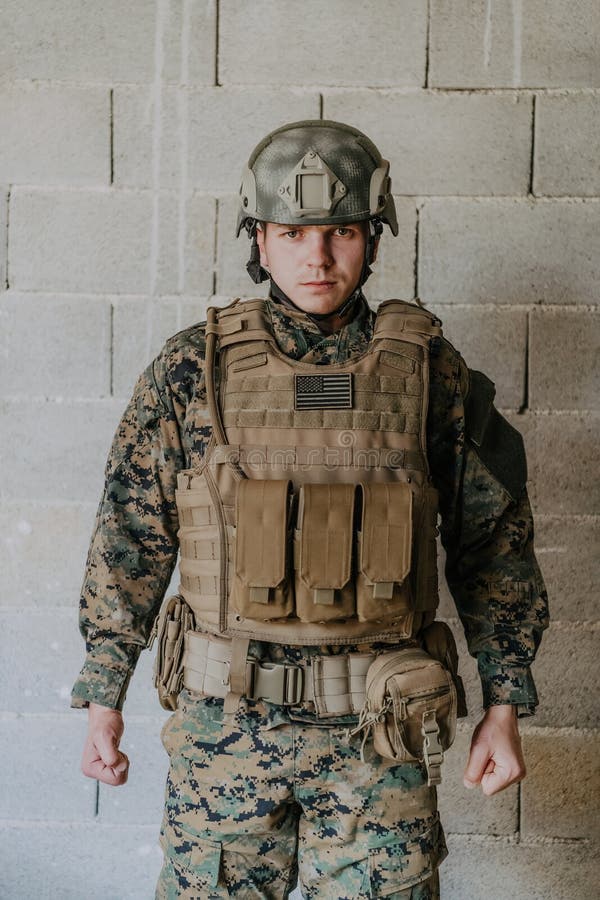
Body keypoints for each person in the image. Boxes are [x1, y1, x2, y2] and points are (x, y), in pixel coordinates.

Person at [73, 119, 548, 899]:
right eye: (292, 232)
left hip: (380, 734)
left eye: (341, 232)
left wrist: (505, 701)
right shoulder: (192, 369)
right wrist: (103, 694)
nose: (317, 257)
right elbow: (129, 536)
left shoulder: (430, 371)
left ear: (373, 237)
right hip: (225, 731)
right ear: (257, 240)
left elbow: (492, 543)